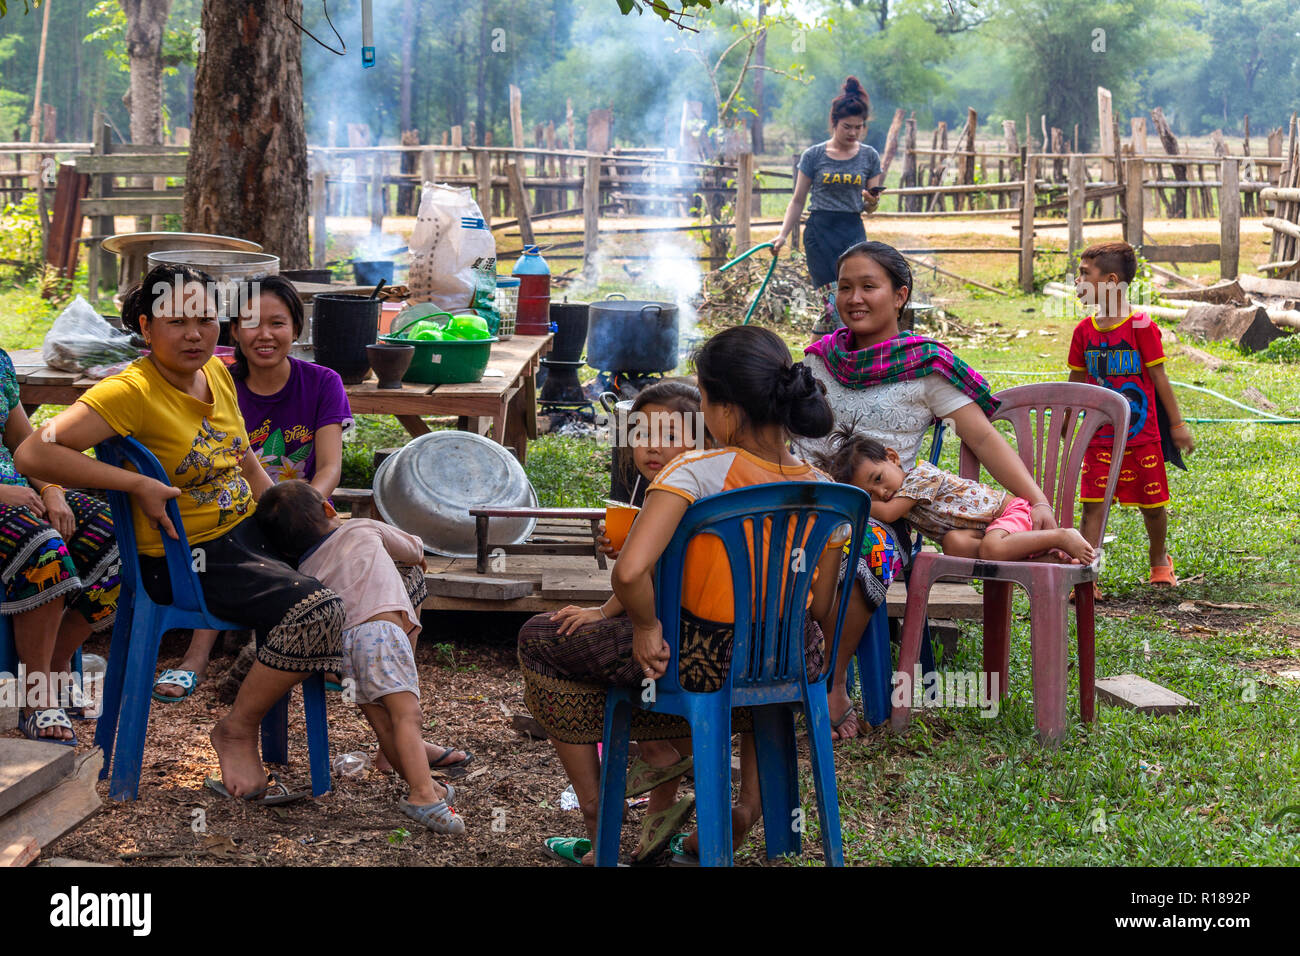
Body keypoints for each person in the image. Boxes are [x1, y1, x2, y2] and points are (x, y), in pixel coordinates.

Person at [520, 327, 848, 865]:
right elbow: (820, 607)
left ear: (719, 409)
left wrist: (647, 627)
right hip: (791, 659)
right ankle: (703, 786)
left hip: (700, 662)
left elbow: (629, 573)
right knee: (657, 648)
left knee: (542, 636)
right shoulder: (826, 488)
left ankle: (602, 811)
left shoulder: (694, 473)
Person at [16, 264, 344, 799]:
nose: (195, 334)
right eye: (177, 321)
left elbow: (245, 461)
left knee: (385, 569)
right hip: (184, 561)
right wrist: (134, 484)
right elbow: (35, 449)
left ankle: (398, 746)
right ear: (146, 328)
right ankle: (235, 730)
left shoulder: (215, 372)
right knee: (319, 609)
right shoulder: (129, 391)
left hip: (247, 536)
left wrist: (302, 525)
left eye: (206, 319)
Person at [798, 240, 1057, 742]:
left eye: (868, 286)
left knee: (859, 550)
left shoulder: (924, 365)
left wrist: (1038, 499)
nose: (854, 298)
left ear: (900, 295)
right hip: (802, 499)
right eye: (845, 287)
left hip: (879, 516)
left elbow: (981, 436)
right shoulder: (819, 361)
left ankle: (830, 683)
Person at [528, 380, 705, 864]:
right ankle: (655, 826)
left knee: (544, 640)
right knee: (629, 665)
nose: (651, 445)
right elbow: (645, 574)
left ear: (702, 437)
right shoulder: (698, 484)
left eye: (670, 433)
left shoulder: (679, 490)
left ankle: (599, 819)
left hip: (675, 641)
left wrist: (618, 592)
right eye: (641, 432)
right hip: (705, 640)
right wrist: (608, 602)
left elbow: (643, 575)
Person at [153, 276, 351, 703]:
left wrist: (306, 508)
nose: (265, 335)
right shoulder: (217, 382)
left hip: (306, 510)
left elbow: (331, 465)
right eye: (251, 323)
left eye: (277, 323)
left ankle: (313, 655)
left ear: (297, 329)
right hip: (237, 509)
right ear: (234, 332)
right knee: (235, 534)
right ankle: (196, 658)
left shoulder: (322, 382)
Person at [254, 479, 465, 834]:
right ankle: (423, 795)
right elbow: (413, 549)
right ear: (328, 509)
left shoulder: (304, 570)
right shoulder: (361, 526)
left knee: (387, 724)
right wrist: (416, 554)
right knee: (406, 718)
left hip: (344, 649)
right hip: (381, 636)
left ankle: (427, 785)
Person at [0, 349, 120, 744]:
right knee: (44, 549)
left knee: (122, 540)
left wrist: (52, 489)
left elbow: (23, 443)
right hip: (8, 499)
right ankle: (36, 696)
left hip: (23, 491)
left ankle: (55, 663)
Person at [1069, 240, 1194, 587]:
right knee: (1093, 507)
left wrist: (1178, 425)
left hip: (1141, 436)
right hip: (1098, 436)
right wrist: (1067, 421)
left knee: (1152, 506)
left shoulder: (1141, 327)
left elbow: (1159, 379)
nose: (1077, 281)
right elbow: (1076, 380)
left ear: (1110, 281)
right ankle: (1086, 575)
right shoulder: (1083, 332)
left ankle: (1159, 560)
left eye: (1084, 274)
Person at [818, 424, 1096, 564]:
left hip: (1008, 513)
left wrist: (850, 502)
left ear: (892, 458)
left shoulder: (919, 477)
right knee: (953, 545)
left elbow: (889, 513)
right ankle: (1040, 555)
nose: (881, 492)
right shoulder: (898, 493)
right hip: (986, 529)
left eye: (878, 479)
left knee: (990, 548)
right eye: (871, 493)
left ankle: (1062, 536)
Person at [771, 76, 883, 337]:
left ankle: (817, 360)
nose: (853, 132)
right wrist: (782, 234)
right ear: (834, 123)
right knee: (833, 303)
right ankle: (824, 361)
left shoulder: (870, 156)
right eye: (847, 126)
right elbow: (798, 199)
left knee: (847, 303)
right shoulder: (814, 155)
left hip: (852, 232)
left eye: (858, 127)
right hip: (820, 232)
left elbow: (870, 208)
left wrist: (871, 202)